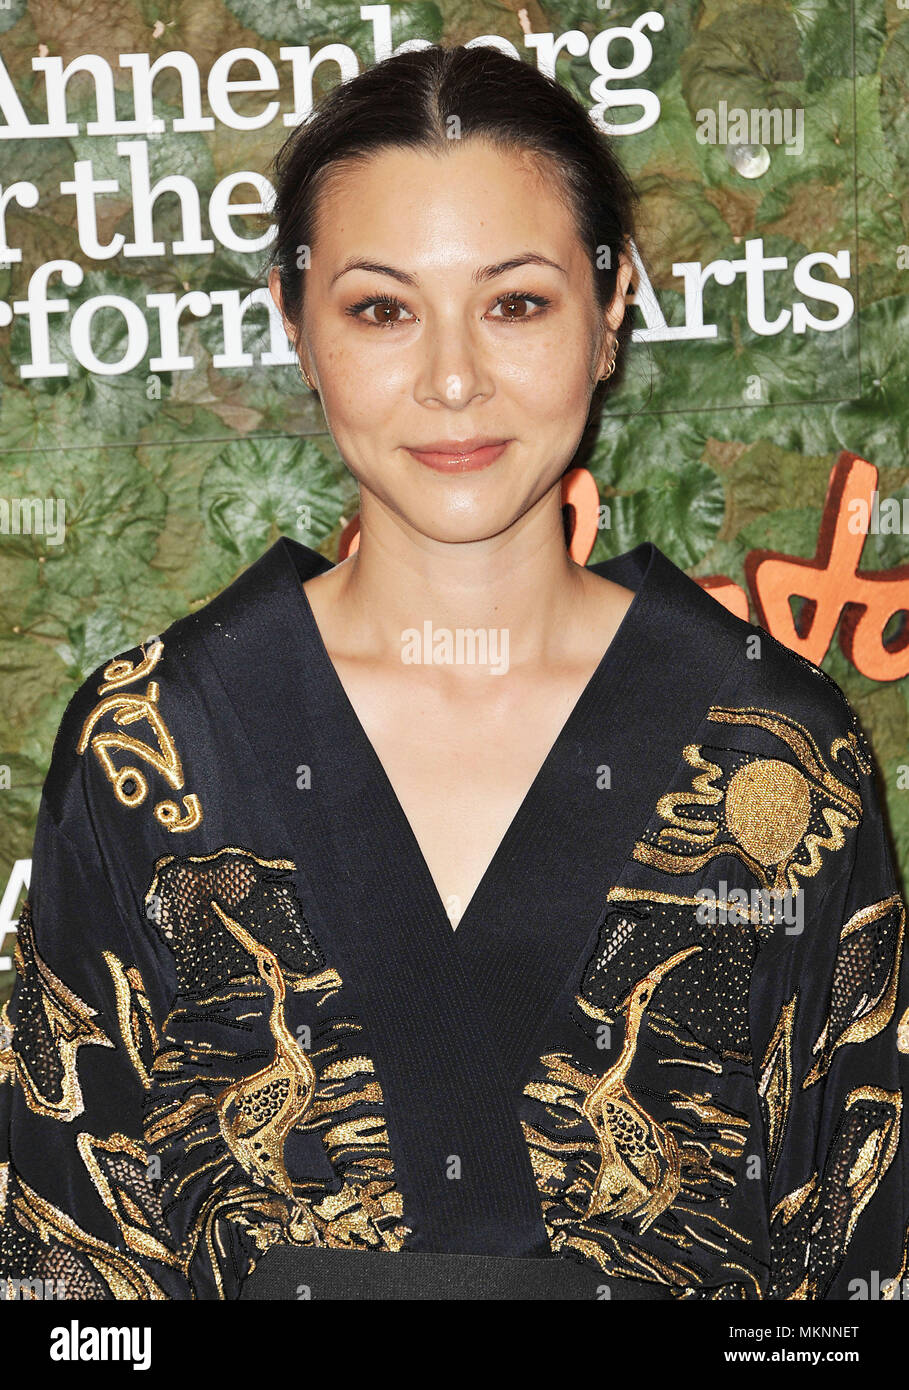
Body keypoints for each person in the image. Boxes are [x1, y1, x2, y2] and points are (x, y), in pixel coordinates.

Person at [1, 42, 906, 1302]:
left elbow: (853, 1267)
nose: (453, 378)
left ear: (610, 312)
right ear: (295, 326)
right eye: (382, 307)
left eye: (516, 301)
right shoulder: (156, 744)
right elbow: (69, 1281)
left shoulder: (777, 748)